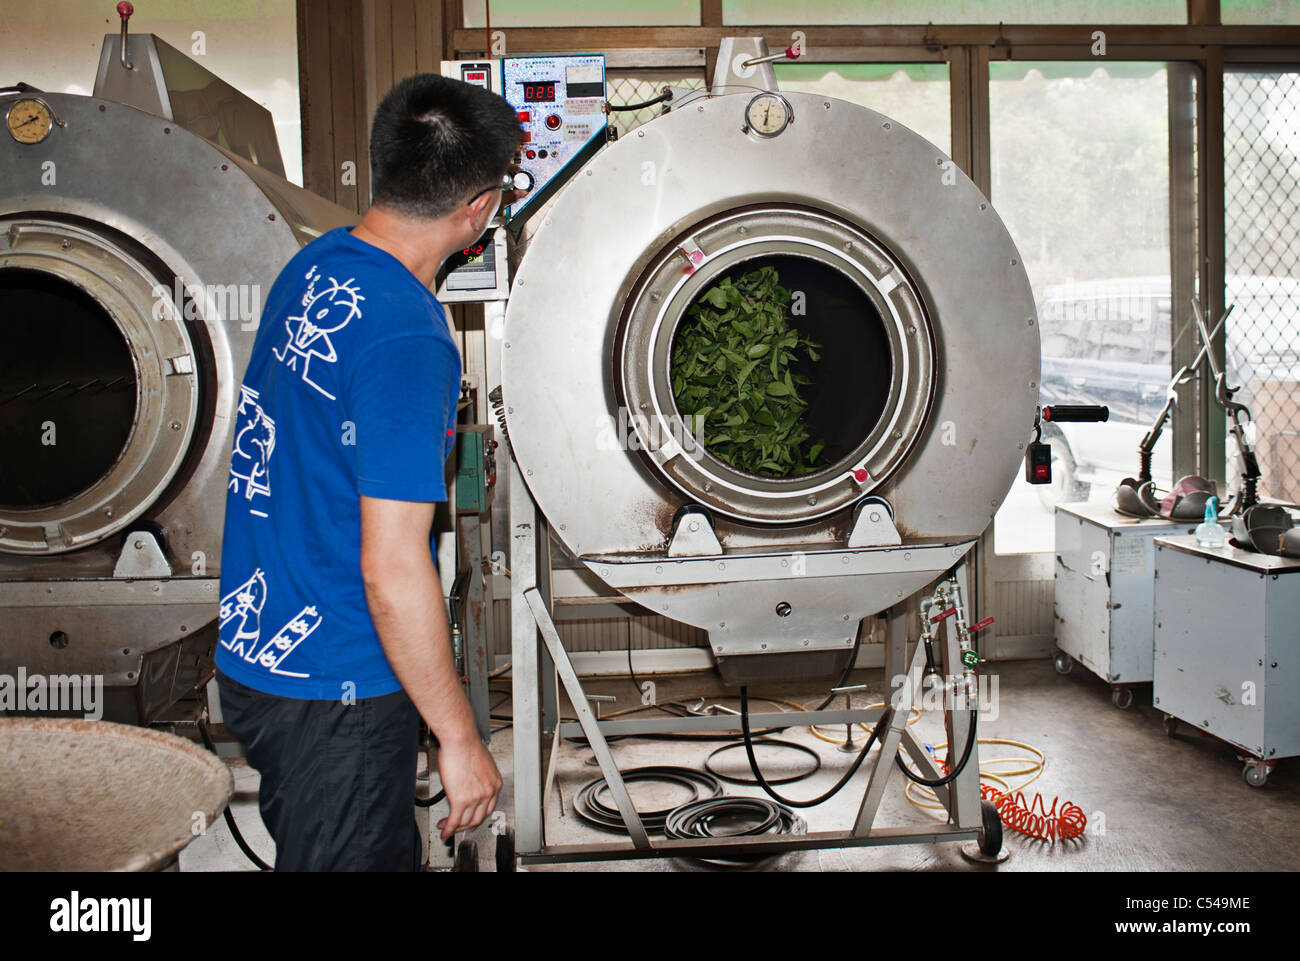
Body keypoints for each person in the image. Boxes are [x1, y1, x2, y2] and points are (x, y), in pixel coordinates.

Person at [214, 73, 524, 871]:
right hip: (337, 684)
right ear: (480, 209)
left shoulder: (315, 265)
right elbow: (391, 569)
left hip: (263, 653)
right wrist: (459, 739)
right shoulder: (408, 338)